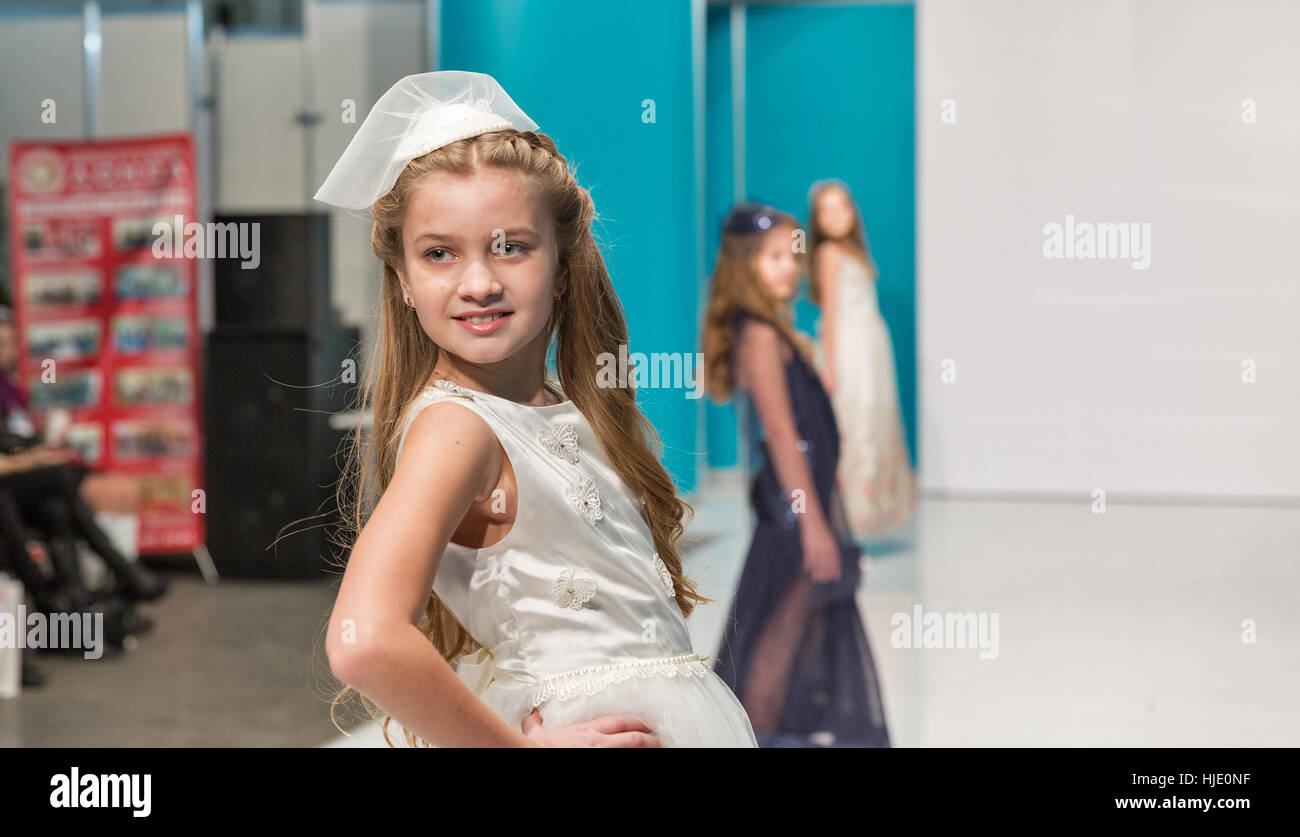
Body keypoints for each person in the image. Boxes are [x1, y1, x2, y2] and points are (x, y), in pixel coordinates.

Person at [320, 71, 757, 748]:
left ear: (561, 259)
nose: (479, 282)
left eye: (511, 247)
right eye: (439, 253)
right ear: (403, 278)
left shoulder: (557, 407)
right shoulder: (457, 430)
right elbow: (364, 637)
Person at [701, 201, 891, 747]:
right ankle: (754, 736)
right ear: (745, 266)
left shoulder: (773, 329)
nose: (790, 267)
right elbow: (783, 436)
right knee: (778, 641)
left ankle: (770, 732)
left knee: (793, 630)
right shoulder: (758, 334)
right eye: (774, 257)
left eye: (793, 255)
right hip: (792, 516)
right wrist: (813, 525)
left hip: (799, 508)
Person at [807, 179, 916, 541]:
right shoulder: (828, 255)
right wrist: (832, 367)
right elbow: (830, 315)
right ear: (817, 219)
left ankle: (864, 518)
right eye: (828, 210)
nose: (837, 216)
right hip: (850, 351)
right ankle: (846, 521)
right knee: (854, 422)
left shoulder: (853, 252)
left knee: (873, 418)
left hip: (870, 351)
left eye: (842, 206)